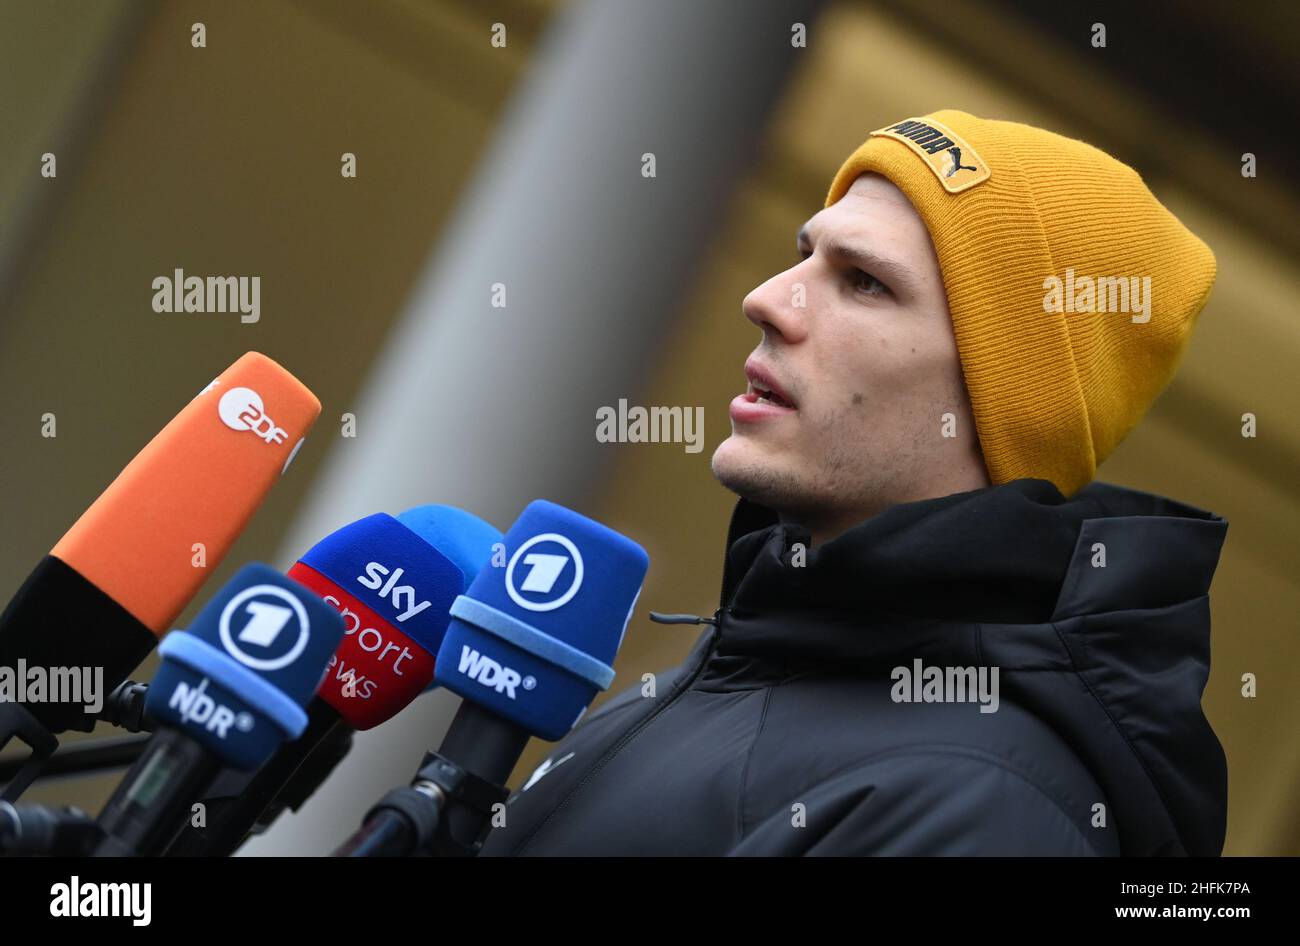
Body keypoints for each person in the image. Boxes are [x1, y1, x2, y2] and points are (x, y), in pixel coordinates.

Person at [480, 110, 1227, 856]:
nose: (769, 299)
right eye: (804, 254)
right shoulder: (741, 670)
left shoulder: (987, 813)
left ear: (1005, 399)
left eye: (864, 281)